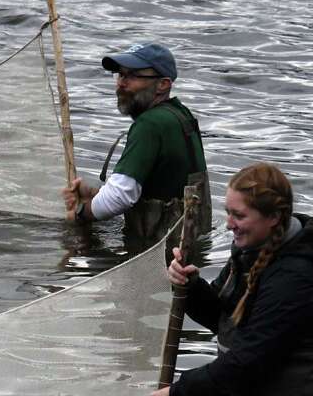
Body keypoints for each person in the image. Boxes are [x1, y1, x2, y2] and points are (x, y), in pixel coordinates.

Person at [146, 162, 313, 396]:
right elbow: (223, 318)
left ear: (274, 218)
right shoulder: (249, 253)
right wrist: (190, 285)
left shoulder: (296, 280)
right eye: (228, 213)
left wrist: (177, 395)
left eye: (239, 215)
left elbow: (247, 361)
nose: (229, 224)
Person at [62, 43, 211, 249]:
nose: (122, 83)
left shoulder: (149, 125)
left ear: (163, 84)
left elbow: (120, 196)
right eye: (120, 75)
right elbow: (161, 187)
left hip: (158, 253)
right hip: (189, 246)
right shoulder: (181, 115)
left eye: (132, 75)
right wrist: (96, 195)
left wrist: (80, 213)